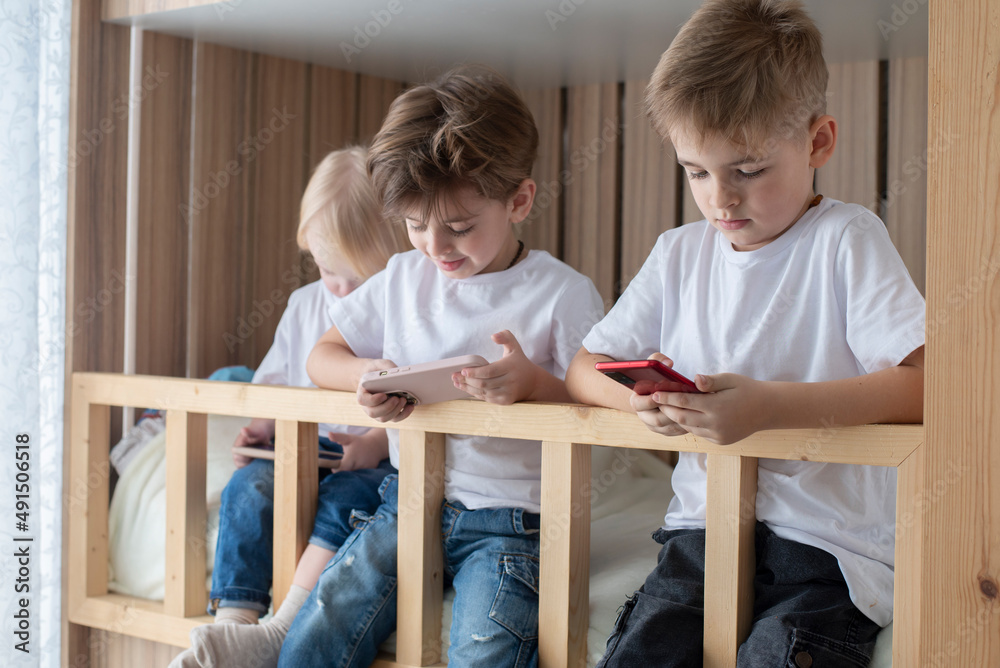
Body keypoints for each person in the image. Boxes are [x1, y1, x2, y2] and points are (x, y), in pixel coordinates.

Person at [564, 1, 926, 666]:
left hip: (827, 549)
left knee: (780, 652)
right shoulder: (679, 254)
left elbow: (928, 385)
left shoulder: (846, 240)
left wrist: (769, 409)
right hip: (699, 533)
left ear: (817, 142)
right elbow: (583, 369)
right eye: (697, 172)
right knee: (642, 649)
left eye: (748, 170)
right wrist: (642, 404)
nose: (720, 200)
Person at [276, 64, 604, 668]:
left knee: (487, 650)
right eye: (414, 225)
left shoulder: (561, 293)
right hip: (406, 500)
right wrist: (366, 375)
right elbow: (322, 356)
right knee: (318, 630)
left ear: (519, 200)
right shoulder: (403, 278)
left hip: (513, 522)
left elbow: (600, 401)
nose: (435, 247)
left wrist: (535, 384)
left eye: (458, 228)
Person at [171, 146, 410, 668]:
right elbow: (273, 383)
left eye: (361, 279)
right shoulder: (304, 306)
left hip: (378, 458)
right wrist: (259, 430)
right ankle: (233, 623)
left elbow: (419, 407)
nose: (343, 292)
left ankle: (285, 624)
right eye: (329, 272)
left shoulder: (404, 313)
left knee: (351, 499)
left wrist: (370, 445)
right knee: (248, 486)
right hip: (308, 447)